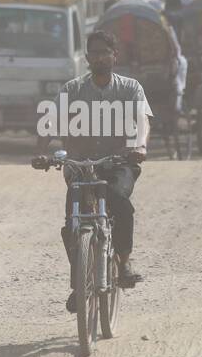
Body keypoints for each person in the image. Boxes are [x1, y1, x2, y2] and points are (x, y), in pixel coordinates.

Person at [39, 30, 151, 312]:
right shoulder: (72, 89)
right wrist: (40, 150)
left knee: (119, 201)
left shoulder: (130, 88)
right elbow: (50, 121)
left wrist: (140, 146)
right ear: (87, 57)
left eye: (104, 52)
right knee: (71, 224)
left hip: (119, 164)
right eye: (94, 52)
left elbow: (143, 120)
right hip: (80, 165)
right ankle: (80, 283)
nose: (99, 57)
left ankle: (123, 263)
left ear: (115, 56)